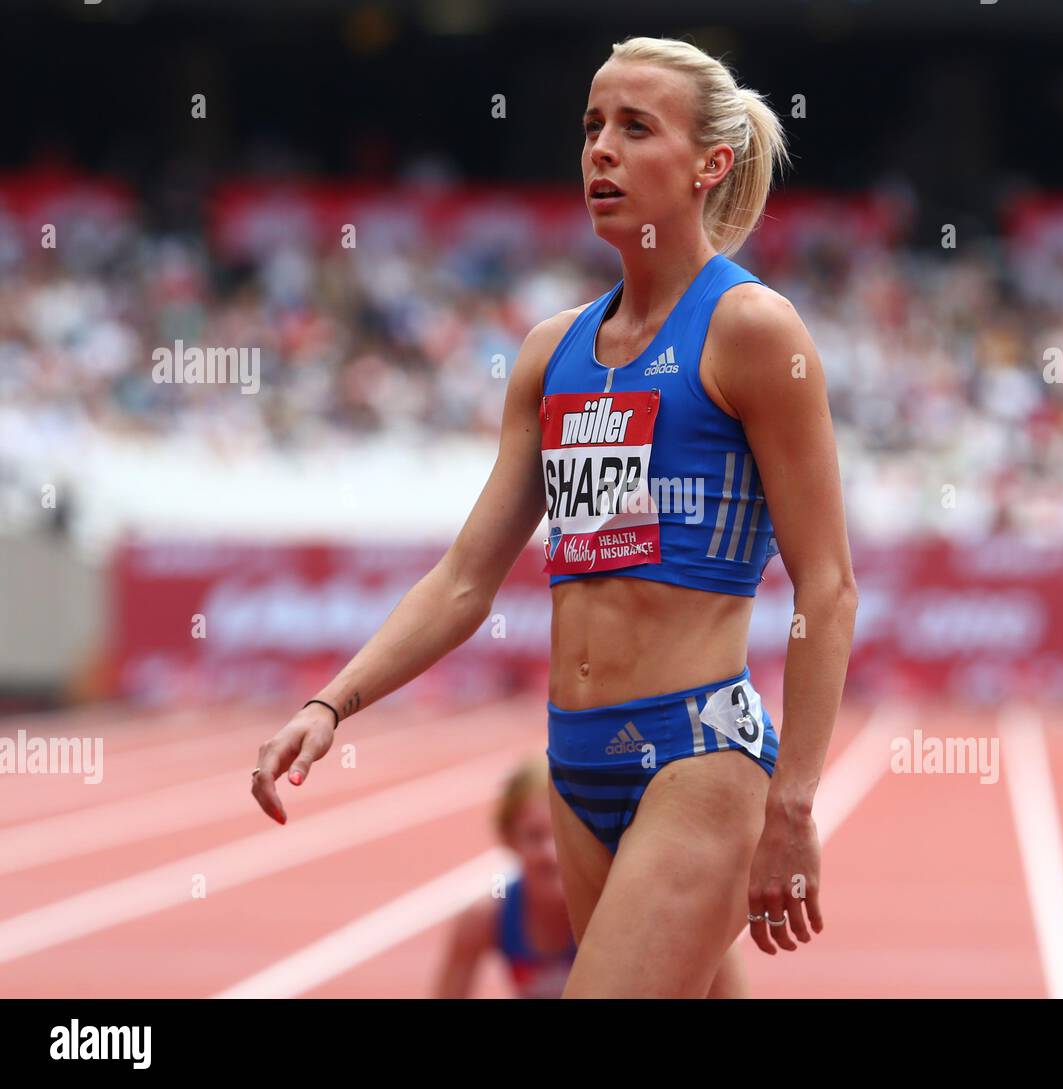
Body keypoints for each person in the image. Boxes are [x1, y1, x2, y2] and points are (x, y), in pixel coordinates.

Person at [251, 34, 858, 998]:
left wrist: (793, 802)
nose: (600, 151)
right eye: (590, 128)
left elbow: (825, 587)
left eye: (633, 127)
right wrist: (334, 702)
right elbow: (463, 581)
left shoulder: (752, 330)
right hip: (574, 767)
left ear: (711, 164)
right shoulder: (552, 352)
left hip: (695, 757)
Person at [435, 756, 577, 999]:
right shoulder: (486, 918)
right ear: (509, 839)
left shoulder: (613, 913)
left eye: (562, 834)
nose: (550, 853)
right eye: (534, 836)